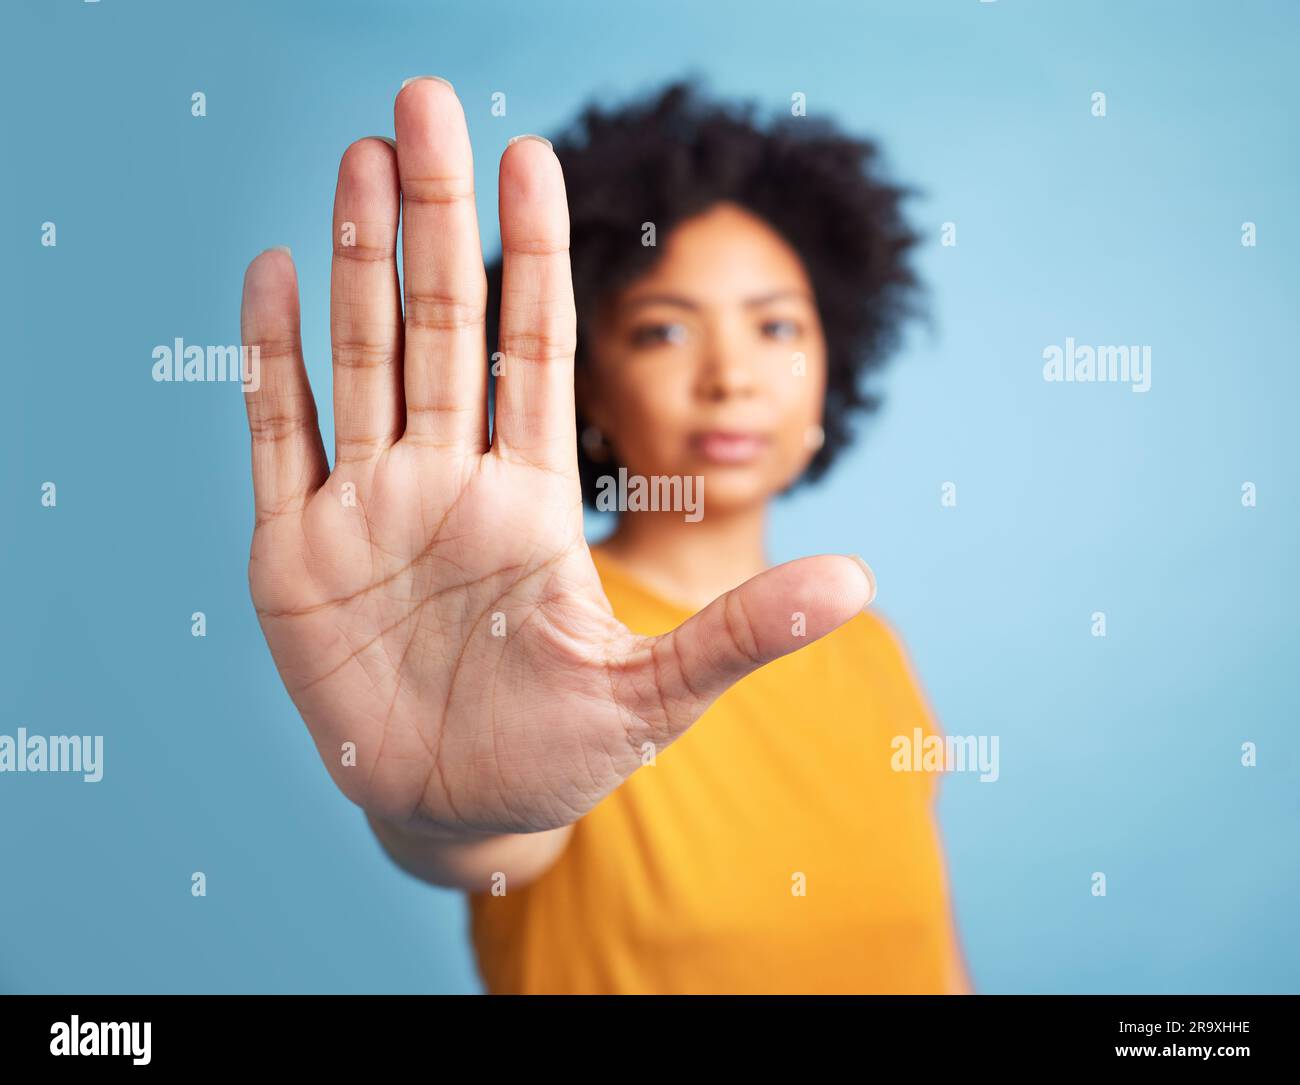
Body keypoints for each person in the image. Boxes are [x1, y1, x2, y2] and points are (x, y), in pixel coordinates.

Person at [238, 75, 971, 994]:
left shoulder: (868, 652)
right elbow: (491, 831)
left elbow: (934, 964)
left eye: (776, 326)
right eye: (665, 332)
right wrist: (443, 815)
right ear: (584, 381)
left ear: (835, 357)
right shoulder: (524, 627)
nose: (732, 375)